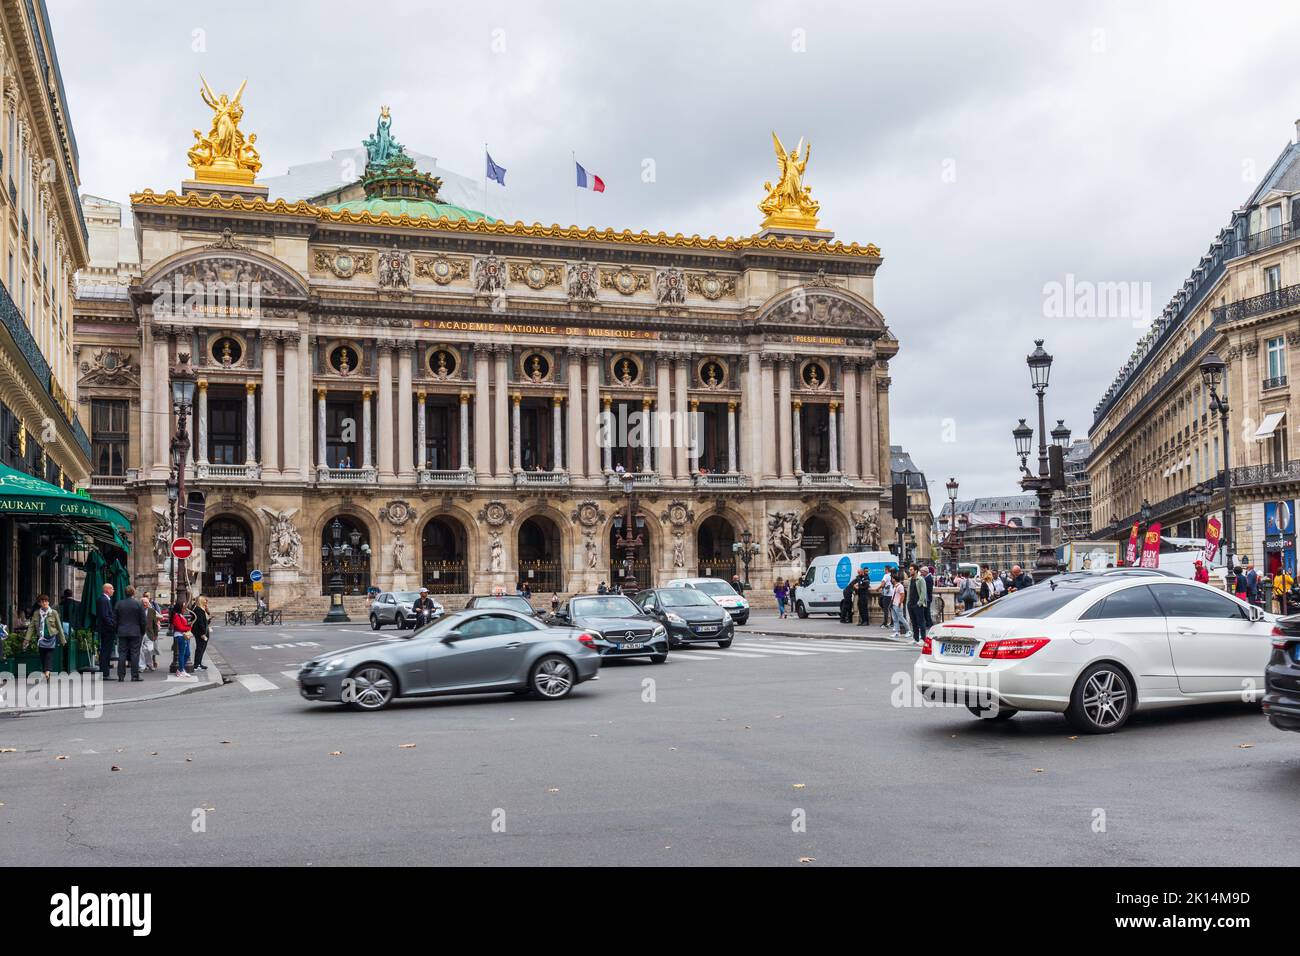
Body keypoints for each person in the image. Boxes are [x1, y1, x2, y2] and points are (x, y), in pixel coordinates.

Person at [23, 594, 64, 680]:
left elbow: (59, 626)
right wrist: (27, 639)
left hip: (51, 637)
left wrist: (62, 639)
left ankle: (47, 672)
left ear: (48, 602)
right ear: (39, 603)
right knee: (42, 656)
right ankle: (46, 672)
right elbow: (31, 627)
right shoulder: (36, 613)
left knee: (49, 655)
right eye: (42, 601)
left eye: (46, 601)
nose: (44, 603)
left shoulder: (53, 613)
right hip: (41, 638)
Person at [113, 586, 148, 683]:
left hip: (122, 632)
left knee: (122, 653)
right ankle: (135, 676)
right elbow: (143, 620)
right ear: (134, 593)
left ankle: (121, 676)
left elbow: (114, 620)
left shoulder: (119, 604)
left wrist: (117, 630)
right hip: (135, 632)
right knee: (134, 654)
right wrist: (142, 631)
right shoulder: (138, 604)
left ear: (125, 593)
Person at [96, 582, 117, 678]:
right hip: (107, 630)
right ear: (107, 590)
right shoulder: (104, 600)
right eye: (112, 588)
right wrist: (113, 625)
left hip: (106, 629)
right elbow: (105, 616)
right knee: (106, 651)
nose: (113, 590)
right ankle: (104, 673)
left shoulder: (104, 599)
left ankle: (104, 672)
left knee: (106, 651)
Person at [906, 564, 929, 645]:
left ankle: (923, 639)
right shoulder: (910, 580)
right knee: (914, 622)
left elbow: (923, 593)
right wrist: (908, 603)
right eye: (910, 569)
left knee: (921, 622)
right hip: (911, 604)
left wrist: (919, 603)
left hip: (918, 605)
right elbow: (909, 592)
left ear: (915, 570)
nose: (910, 571)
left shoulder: (921, 579)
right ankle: (915, 639)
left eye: (911, 569)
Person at [171, 602, 194, 676]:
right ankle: (181, 670)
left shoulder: (180, 615)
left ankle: (181, 669)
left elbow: (182, 626)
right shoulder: (176, 616)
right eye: (183, 608)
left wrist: (188, 625)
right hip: (180, 635)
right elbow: (180, 628)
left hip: (183, 635)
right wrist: (189, 627)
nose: (185, 609)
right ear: (179, 608)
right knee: (182, 653)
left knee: (187, 654)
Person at [191, 595, 211, 672]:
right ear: (201, 601)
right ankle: (197, 665)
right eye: (205, 600)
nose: (206, 602)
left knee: (202, 648)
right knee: (200, 648)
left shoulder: (201, 609)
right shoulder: (198, 610)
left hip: (203, 631)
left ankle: (199, 663)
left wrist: (209, 620)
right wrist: (203, 633)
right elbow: (200, 623)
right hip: (201, 632)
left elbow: (204, 622)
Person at [891, 569, 910, 640]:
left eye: (892, 578)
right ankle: (897, 631)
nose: (891, 579)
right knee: (895, 619)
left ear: (894, 579)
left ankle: (908, 631)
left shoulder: (900, 586)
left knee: (901, 618)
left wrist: (900, 603)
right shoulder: (895, 586)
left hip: (897, 604)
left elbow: (902, 595)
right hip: (893, 604)